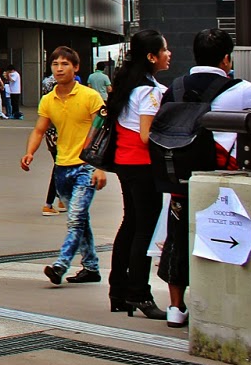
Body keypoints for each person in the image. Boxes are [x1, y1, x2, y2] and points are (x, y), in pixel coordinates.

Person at [155, 29, 251, 326]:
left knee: (178, 238)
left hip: (181, 175)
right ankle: (222, 302)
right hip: (221, 178)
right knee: (226, 238)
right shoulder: (240, 89)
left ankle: (175, 307)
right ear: (226, 59)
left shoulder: (175, 87)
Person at [20, 46, 107, 288]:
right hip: (62, 168)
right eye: (55, 64)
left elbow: (103, 132)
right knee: (80, 219)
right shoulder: (48, 100)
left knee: (76, 219)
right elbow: (39, 130)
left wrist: (99, 166)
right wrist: (29, 153)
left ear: (76, 68)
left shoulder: (90, 97)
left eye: (65, 64)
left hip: (86, 166)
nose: (59, 69)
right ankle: (91, 267)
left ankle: (61, 264)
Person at [102, 29, 172, 319]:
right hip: (142, 164)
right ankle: (139, 293)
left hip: (124, 162)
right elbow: (146, 135)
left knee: (130, 224)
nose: (168, 54)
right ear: (151, 56)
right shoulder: (148, 90)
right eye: (164, 50)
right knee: (145, 228)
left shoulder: (128, 83)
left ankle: (118, 291)